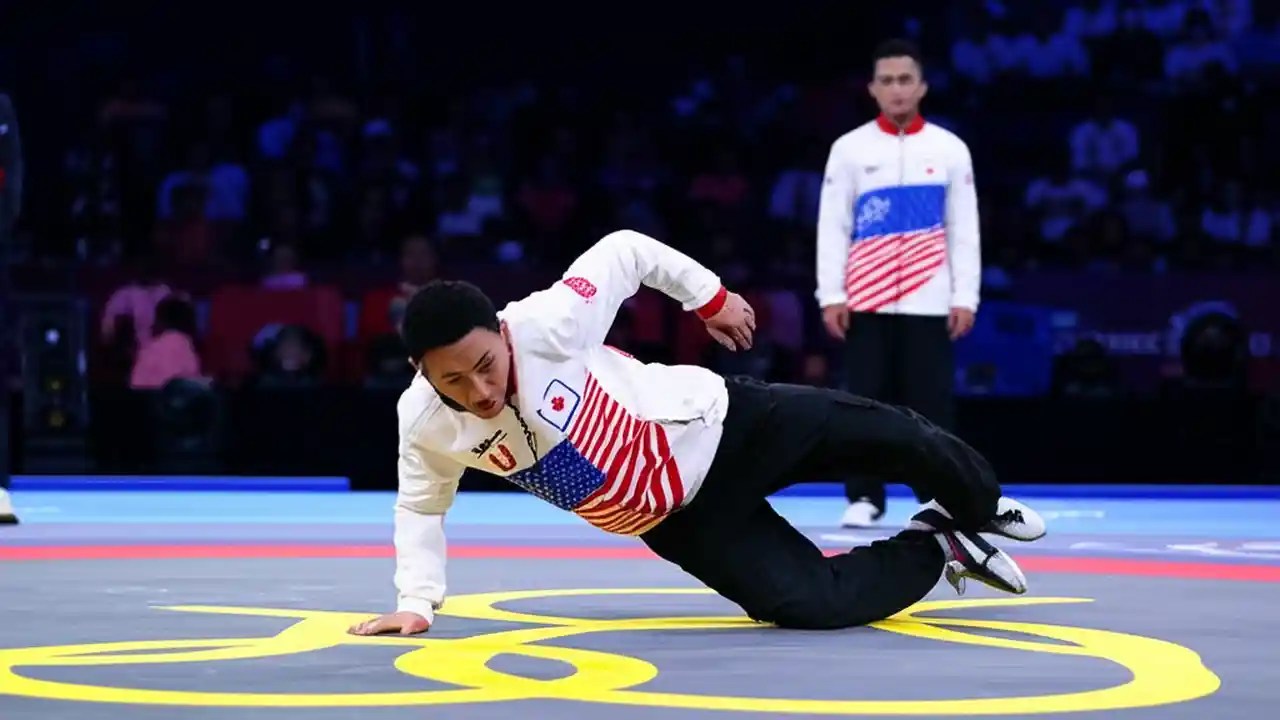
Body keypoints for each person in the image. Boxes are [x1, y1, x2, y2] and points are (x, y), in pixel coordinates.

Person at [348, 229, 1044, 637]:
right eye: (454, 383)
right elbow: (420, 508)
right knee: (805, 604)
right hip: (677, 520)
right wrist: (416, 601)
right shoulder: (426, 423)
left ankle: (980, 505)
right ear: (420, 372)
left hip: (724, 427)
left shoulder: (548, 324)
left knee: (888, 433)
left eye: (485, 367)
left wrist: (709, 297)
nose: (481, 392)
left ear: (502, 334)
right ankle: (940, 546)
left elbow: (624, 250)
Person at [815, 39, 982, 528]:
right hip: (865, 299)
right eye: (886, 80)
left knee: (932, 406)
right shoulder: (849, 149)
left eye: (905, 79)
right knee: (864, 405)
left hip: (930, 300)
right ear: (872, 88)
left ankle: (938, 496)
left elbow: (964, 227)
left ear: (922, 86)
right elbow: (833, 225)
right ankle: (864, 497)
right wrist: (832, 295)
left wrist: (964, 296)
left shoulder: (950, 149)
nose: (896, 88)